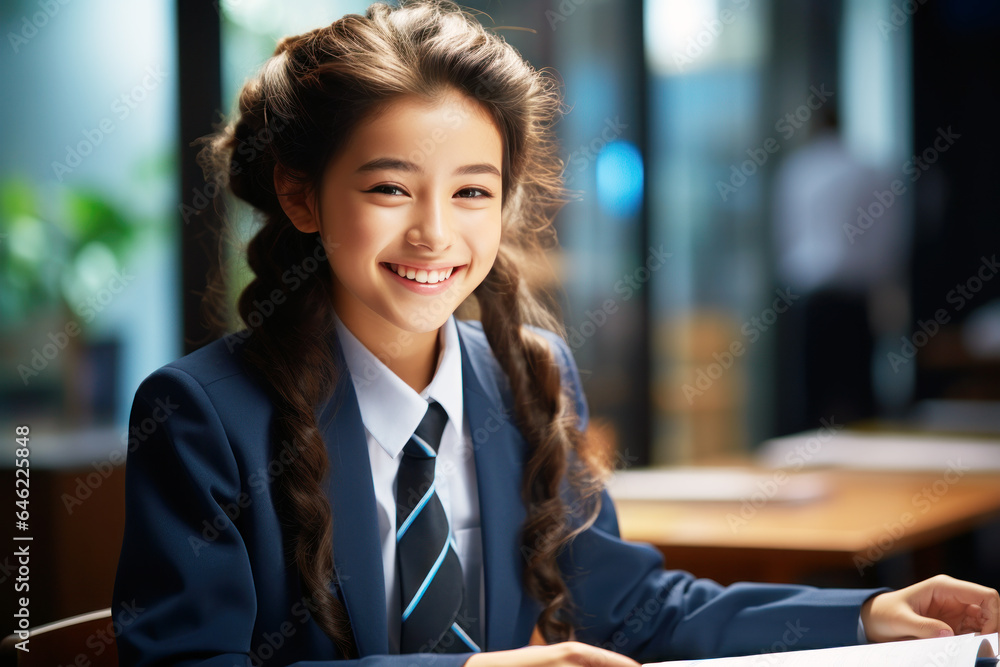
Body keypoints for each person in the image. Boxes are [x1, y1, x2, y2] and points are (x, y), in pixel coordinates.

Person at [112, 1, 999, 665]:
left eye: (471, 191)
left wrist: (866, 617)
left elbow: (637, 605)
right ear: (302, 197)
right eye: (389, 189)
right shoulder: (202, 415)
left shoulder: (526, 377)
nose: (434, 233)